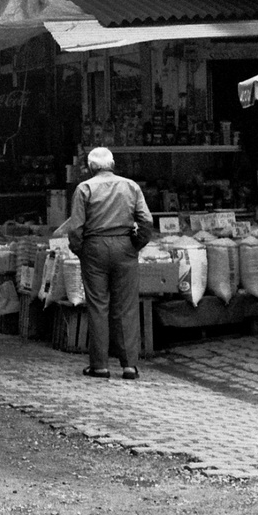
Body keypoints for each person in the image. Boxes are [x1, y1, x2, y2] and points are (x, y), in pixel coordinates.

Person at [68, 147, 154, 381]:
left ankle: (100, 366)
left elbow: (75, 228)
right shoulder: (131, 186)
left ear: (90, 167)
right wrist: (136, 243)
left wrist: (80, 250)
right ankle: (129, 366)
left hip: (94, 248)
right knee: (126, 306)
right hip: (125, 247)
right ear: (113, 164)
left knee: (98, 306)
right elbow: (146, 220)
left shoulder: (84, 188)